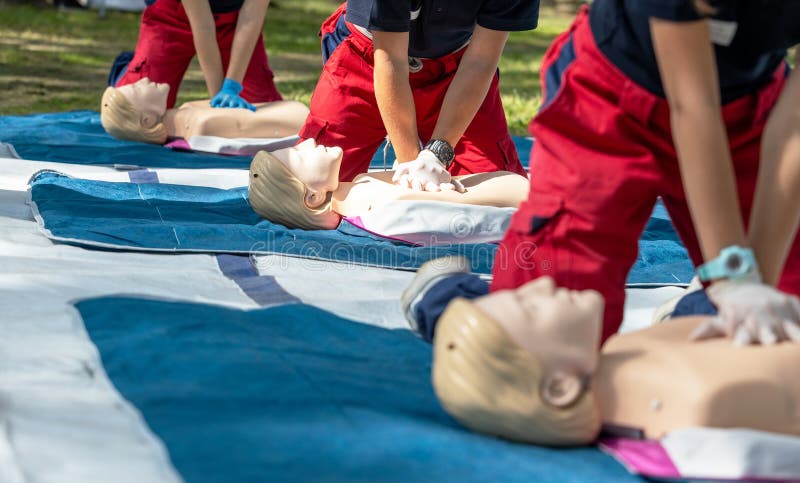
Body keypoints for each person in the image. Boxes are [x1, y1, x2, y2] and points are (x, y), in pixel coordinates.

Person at [403, 0, 800, 347]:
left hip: (746, 107)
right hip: (611, 100)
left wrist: (754, 283)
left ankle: (694, 314)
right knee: (548, 330)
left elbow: (794, 128)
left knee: (783, 316)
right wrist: (733, 274)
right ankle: (447, 302)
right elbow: (693, 105)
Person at [429, 270, 800, 446]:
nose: (542, 284)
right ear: (560, 386)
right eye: (531, 308)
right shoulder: (702, 396)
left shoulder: (620, 352)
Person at [297, 1, 539, 187]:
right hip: (367, 57)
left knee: (502, 189)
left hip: (456, 68)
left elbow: (480, 60)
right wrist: (411, 168)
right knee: (313, 184)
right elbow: (390, 59)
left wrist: (436, 155)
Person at [248, 138, 529, 230]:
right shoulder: (370, 202)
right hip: (524, 197)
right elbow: (465, 204)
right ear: (312, 196)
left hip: (514, 190)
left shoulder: (360, 186)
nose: (308, 141)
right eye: (298, 154)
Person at [112, 0, 282, 111]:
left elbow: (251, 18)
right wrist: (217, 99)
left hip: (234, 22)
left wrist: (231, 87)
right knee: (138, 108)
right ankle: (128, 69)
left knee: (261, 108)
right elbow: (203, 26)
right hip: (171, 15)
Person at [101, 77, 308, 145]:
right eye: (137, 88)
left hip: (298, 114)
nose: (144, 79)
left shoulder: (187, 110)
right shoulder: (200, 124)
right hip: (304, 121)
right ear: (147, 120)